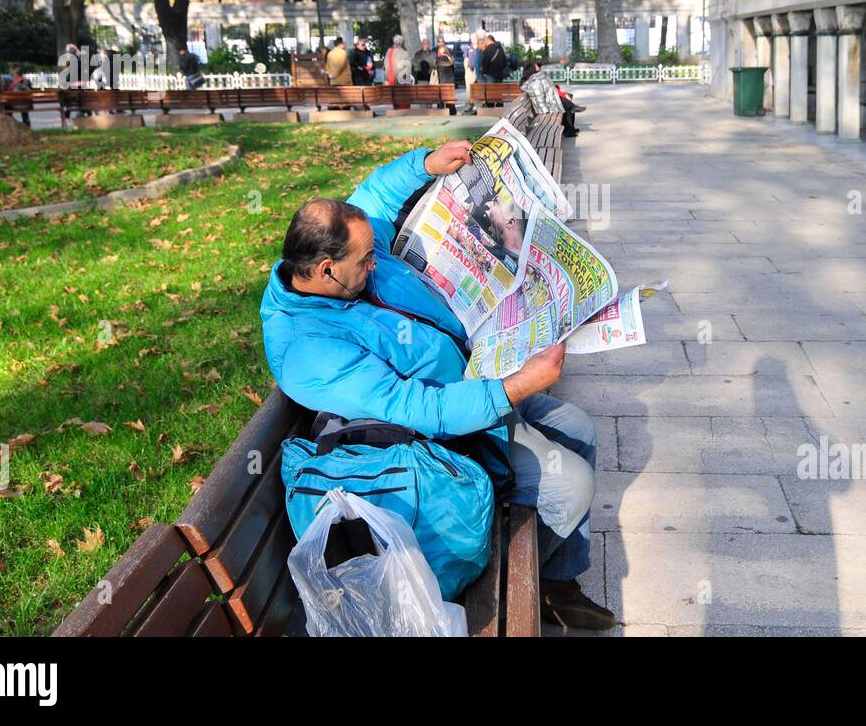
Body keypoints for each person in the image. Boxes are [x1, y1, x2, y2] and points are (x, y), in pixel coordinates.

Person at [259, 145, 615, 629]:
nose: (375, 265)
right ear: (326, 269)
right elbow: (419, 409)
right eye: (366, 261)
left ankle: (557, 579)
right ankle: (512, 585)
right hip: (452, 429)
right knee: (571, 484)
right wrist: (514, 387)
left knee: (577, 425)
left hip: (476, 375)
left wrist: (425, 164)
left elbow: (377, 197)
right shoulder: (307, 350)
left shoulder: (337, 267)